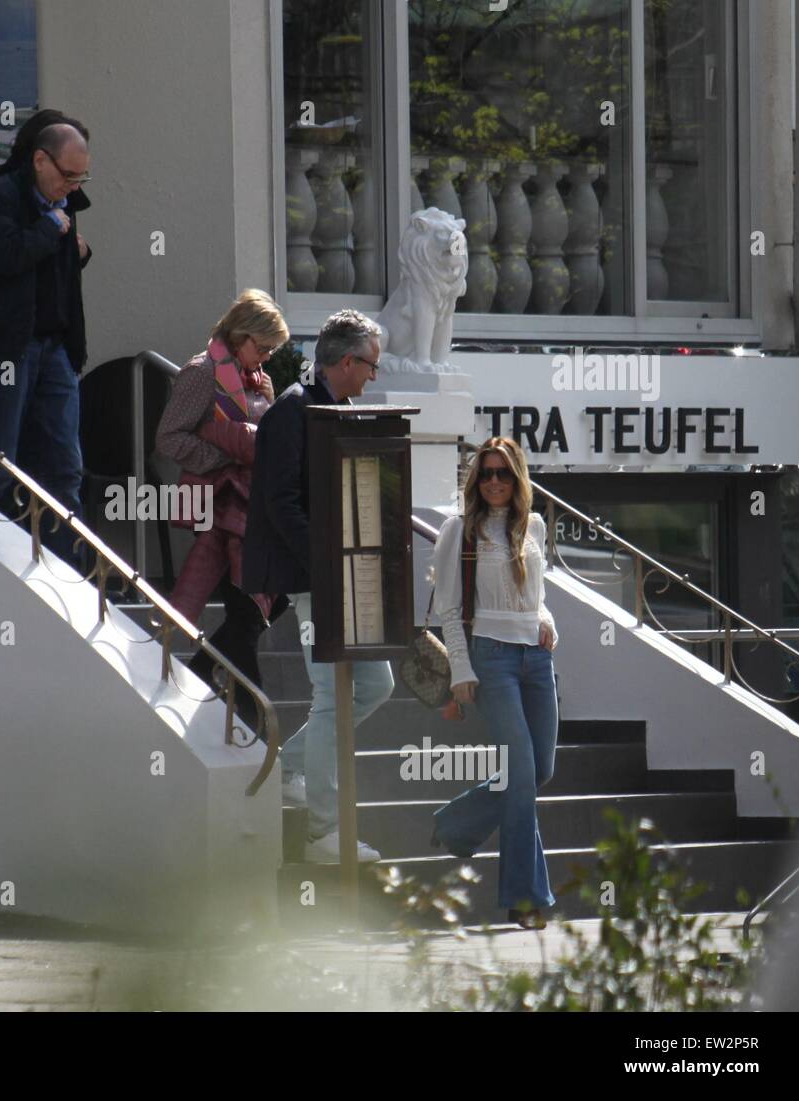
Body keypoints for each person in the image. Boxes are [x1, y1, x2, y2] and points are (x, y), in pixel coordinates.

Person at [243, 309, 394, 864]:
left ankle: (288, 766)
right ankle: (323, 834)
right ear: (348, 361)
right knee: (333, 696)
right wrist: (327, 562)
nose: (372, 378)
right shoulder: (291, 409)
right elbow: (280, 502)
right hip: (314, 580)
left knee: (375, 686)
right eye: (370, 367)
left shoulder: (336, 407)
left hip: (346, 577)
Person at [430, 437, 560, 929]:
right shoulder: (459, 530)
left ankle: (456, 823)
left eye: (503, 473)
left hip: (537, 659)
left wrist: (548, 620)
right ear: (475, 480)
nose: (494, 482)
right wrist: (461, 669)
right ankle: (525, 900)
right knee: (522, 773)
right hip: (492, 660)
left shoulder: (536, 526)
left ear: (517, 477)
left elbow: (537, 596)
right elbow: (447, 607)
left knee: (540, 770)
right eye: (486, 473)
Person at [0, 109, 93, 568]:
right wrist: (50, 229)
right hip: (10, 350)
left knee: (64, 466)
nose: (75, 186)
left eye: (82, 177)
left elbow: (58, 272)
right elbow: (9, 257)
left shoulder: (64, 202)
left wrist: (80, 249)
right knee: (0, 460)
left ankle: (66, 573)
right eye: (69, 176)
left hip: (56, 346)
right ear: (40, 160)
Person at [155, 290, 288, 690]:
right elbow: (169, 438)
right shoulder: (201, 372)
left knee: (262, 604)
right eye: (262, 347)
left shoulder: (255, 377)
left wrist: (270, 401)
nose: (266, 357)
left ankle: (195, 677)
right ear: (240, 335)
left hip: (249, 504)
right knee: (248, 610)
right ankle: (252, 716)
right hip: (215, 502)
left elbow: (264, 440)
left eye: (271, 351)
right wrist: (225, 458)